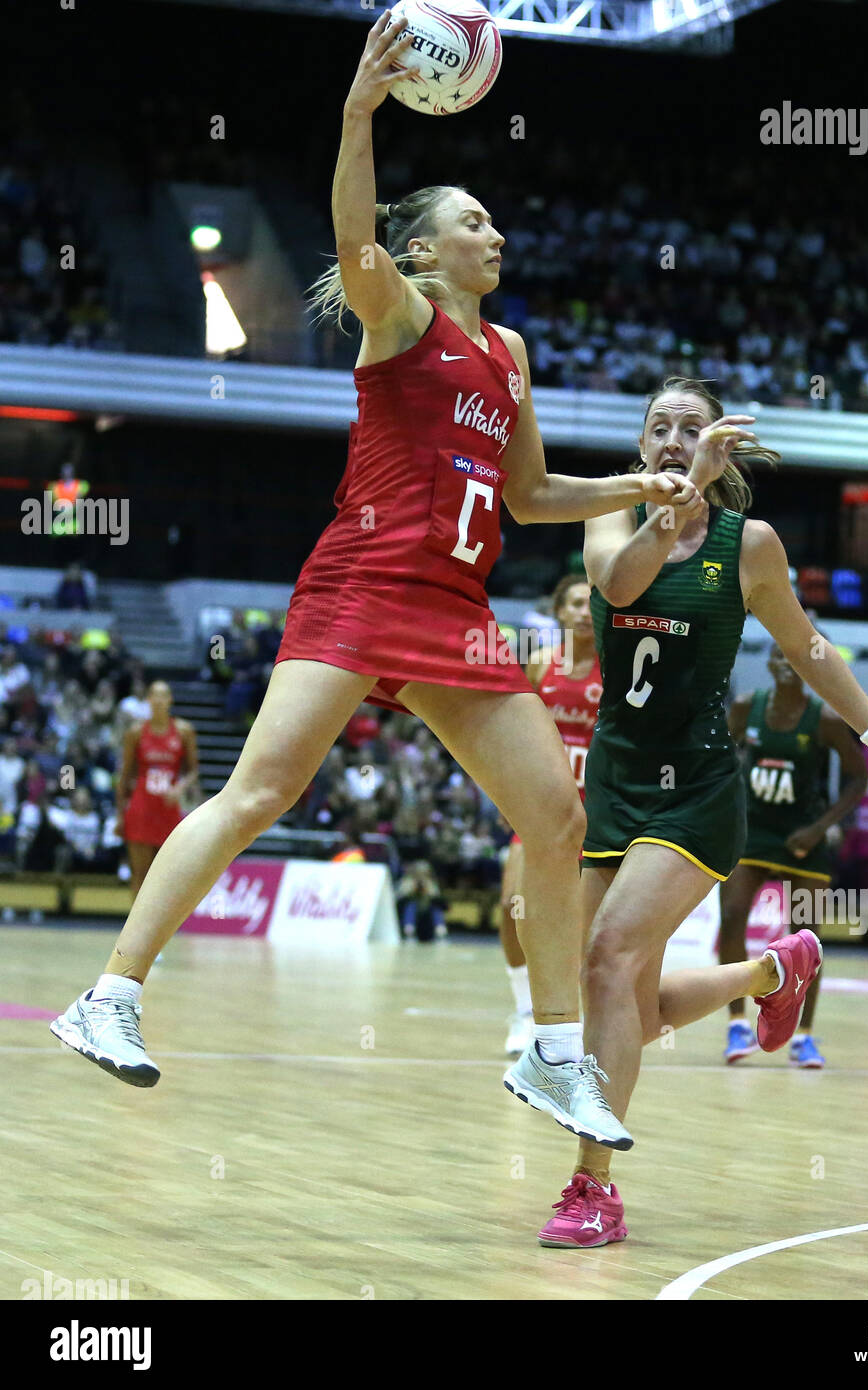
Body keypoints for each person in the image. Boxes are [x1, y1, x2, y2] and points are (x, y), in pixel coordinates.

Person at [50, 12, 690, 1151]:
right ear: (429, 250)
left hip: (454, 609)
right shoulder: (394, 312)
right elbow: (354, 234)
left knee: (555, 816)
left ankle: (550, 1055)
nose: (494, 232)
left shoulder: (510, 356)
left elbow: (533, 496)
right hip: (360, 581)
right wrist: (358, 111)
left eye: (491, 219)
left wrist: (641, 484)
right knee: (260, 792)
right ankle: (111, 996)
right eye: (474, 221)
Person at [535, 377, 868, 1248]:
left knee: (604, 959)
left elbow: (807, 647)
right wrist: (669, 498)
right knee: (627, 1003)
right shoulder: (609, 517)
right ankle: (766, 977)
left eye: (687, 428)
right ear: (640, 444)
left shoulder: (749, 543)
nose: (668, 439)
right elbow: (619, 593)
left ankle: (593, 1189)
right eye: (656, 427)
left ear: (715, 448)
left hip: (697, 790)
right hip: (615, 785)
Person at [718, 642, 868, 1069]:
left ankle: (803, 1035)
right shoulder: (747, 707)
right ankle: (736, 1025)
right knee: (731, 917)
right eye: (780, 656)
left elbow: (858, 779)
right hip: (752, 833)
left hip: (804, 837)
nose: (787, 663)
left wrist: (820, 828)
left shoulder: (825, 719)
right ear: (768, 662)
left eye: (795, 657)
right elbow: (719, 762)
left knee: (806, 937)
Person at [499, 573, 601, 1056]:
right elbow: (517, 737)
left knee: (578, 922)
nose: (584, 610)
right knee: (511, 907)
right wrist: (508, 792)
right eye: (575, 603)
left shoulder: (618, 669)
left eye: (591, 603)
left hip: (595, 810)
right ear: (559, 611)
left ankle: (565, 1021)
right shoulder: (541, 665)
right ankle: (523, 1011)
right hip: (543, 805)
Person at [114, 681, 199, 902]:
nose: (159, 700)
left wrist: (179, 787)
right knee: (140, 873)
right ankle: (136, 930)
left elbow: (193, 771)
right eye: (155, 696)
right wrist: (119, 815)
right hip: (141, 808)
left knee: (165, 875)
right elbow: (125, 776)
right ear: (149, 700)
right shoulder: (135, 732)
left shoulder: (183, 731)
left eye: (164, 696)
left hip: (168, 809)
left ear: (170, 700)